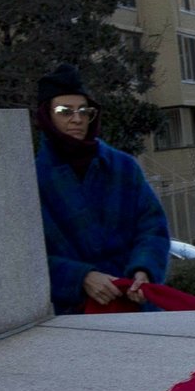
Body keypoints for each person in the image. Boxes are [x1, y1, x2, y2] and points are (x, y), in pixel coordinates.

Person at [31, 63, 172, 311]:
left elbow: (152, 226)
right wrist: (81, 277)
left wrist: (144, 270)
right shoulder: (31, 179)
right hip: (74, 314)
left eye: (84, 111)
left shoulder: (123, 167)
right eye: (65, 111)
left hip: (134, 305)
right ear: (47, 116)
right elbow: (26, 256)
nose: (77, 119)